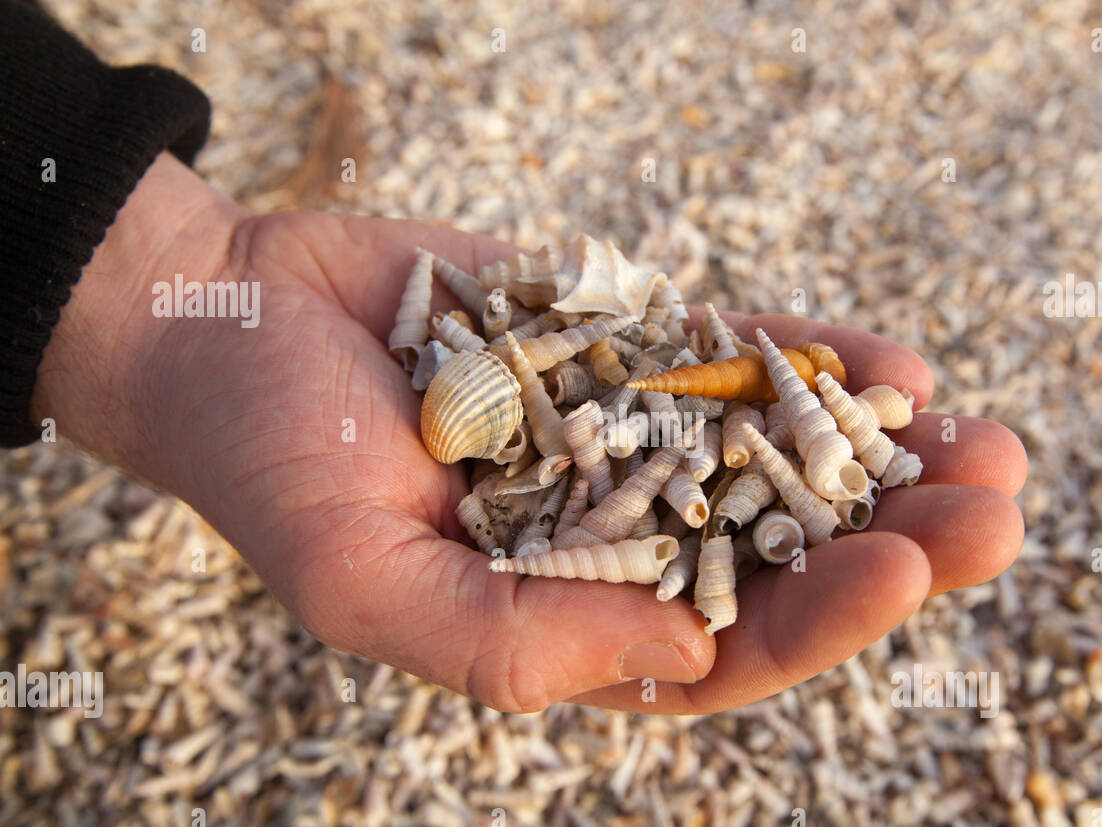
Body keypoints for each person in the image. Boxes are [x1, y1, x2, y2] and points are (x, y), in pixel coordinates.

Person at [2, 1, 1026, 714]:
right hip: (557, 419)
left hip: (628, 437)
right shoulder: (550, 383)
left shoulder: (703, 429)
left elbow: (646, 405)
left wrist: (151, 277)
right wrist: (152, 293)